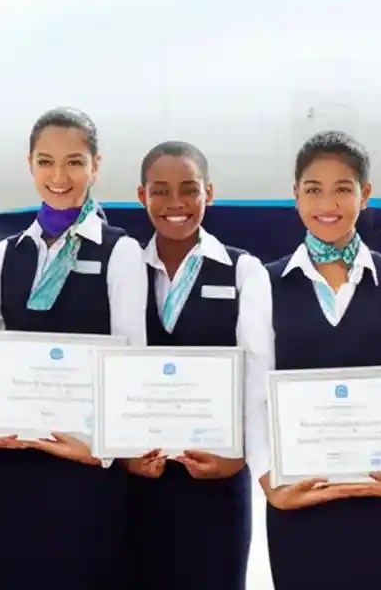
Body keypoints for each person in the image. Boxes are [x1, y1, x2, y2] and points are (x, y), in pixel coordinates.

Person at [248, 130, 381, 590]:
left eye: (342, 189)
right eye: (313, 189)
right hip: (301, 497)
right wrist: (271, 478)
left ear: (365, 194)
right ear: (295, 195)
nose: (326, 203)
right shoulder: (265, 283)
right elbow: (254, 391)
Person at [0, 107, 147, 590]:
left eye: (74, 162)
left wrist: (100, 452)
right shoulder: (4, 254)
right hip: (14, 467)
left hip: (87, 469)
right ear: (29, 165)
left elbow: (131, 359)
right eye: (46, 162)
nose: (59, 176)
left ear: (95, 165)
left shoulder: (120, 252)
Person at [127, 140, 270, 590]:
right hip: (140, 482)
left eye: (189, 189)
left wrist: (240, 454)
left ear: (209, 191)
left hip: (216, 481)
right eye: (160, 190)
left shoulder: (242, 270)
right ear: (141, 195)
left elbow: (258, 374)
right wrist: (125, 454)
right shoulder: (126, 267)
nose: (175, 204)